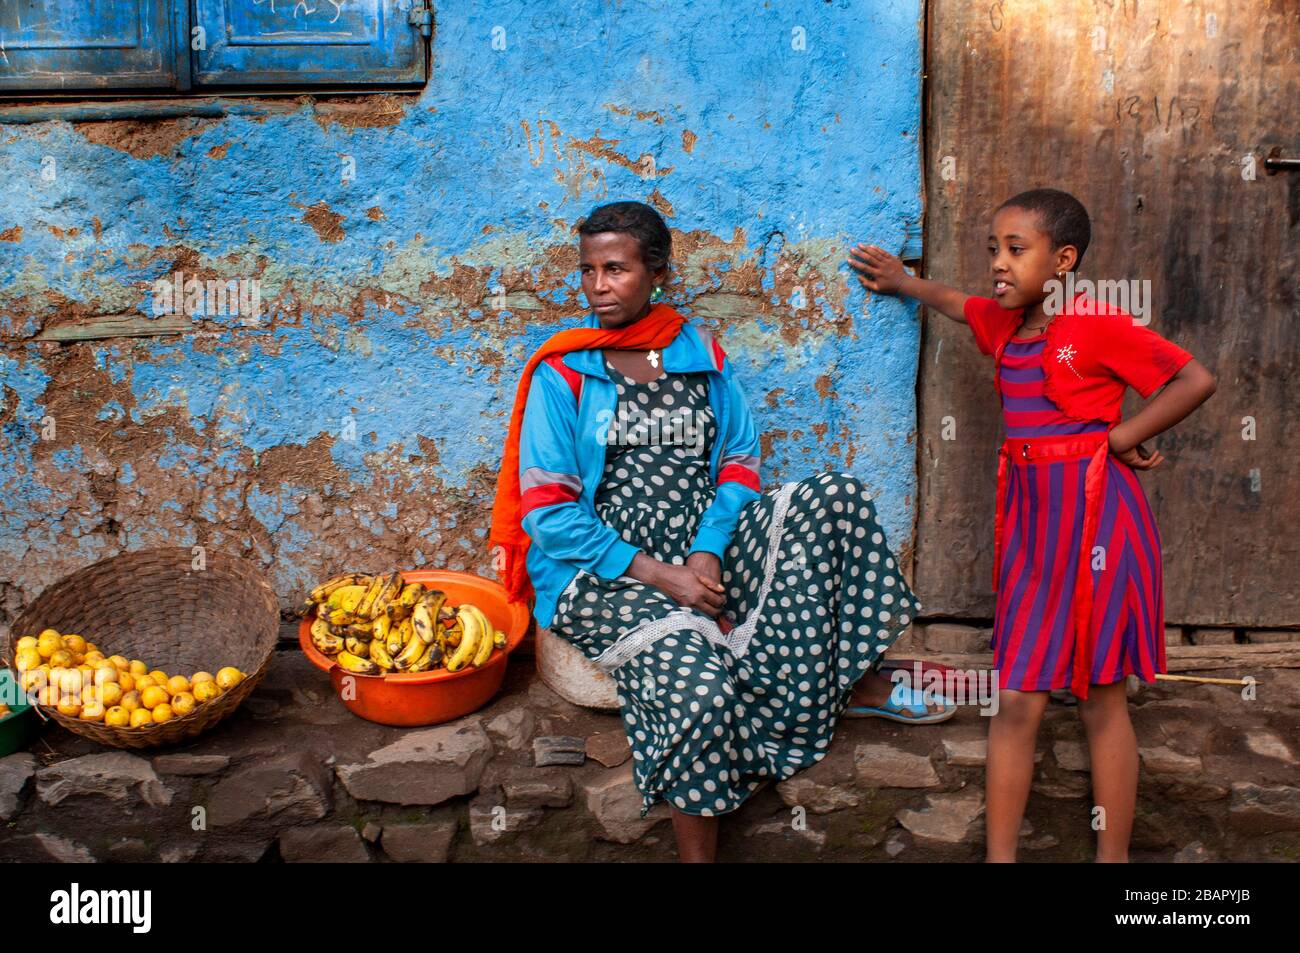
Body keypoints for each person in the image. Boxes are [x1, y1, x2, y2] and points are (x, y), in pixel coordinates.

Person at [490, 200, 954, 863]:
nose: (598, 286)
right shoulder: (564, 371)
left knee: (835, 495)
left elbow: (738, 460)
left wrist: (706, 552)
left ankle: (854, 680)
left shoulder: (698, 353)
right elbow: (549, 513)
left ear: (657, 273)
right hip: (606, 569)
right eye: (589, 270)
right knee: (698, 690)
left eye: (616, 269)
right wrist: (662, 575)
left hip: (704, 546)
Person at [848, 188, 1217, 862]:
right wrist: (904, 283)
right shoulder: (1004, 325)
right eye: (994, 248)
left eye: (1017, 249)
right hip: (1033, 533)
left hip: (1099, 522)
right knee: (1016, 698)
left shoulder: (1096, 325)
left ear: (1063, 260)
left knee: (1101, 697)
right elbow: (958, 303)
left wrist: (1121, 435)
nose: (999, 262)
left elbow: (1194, 378)